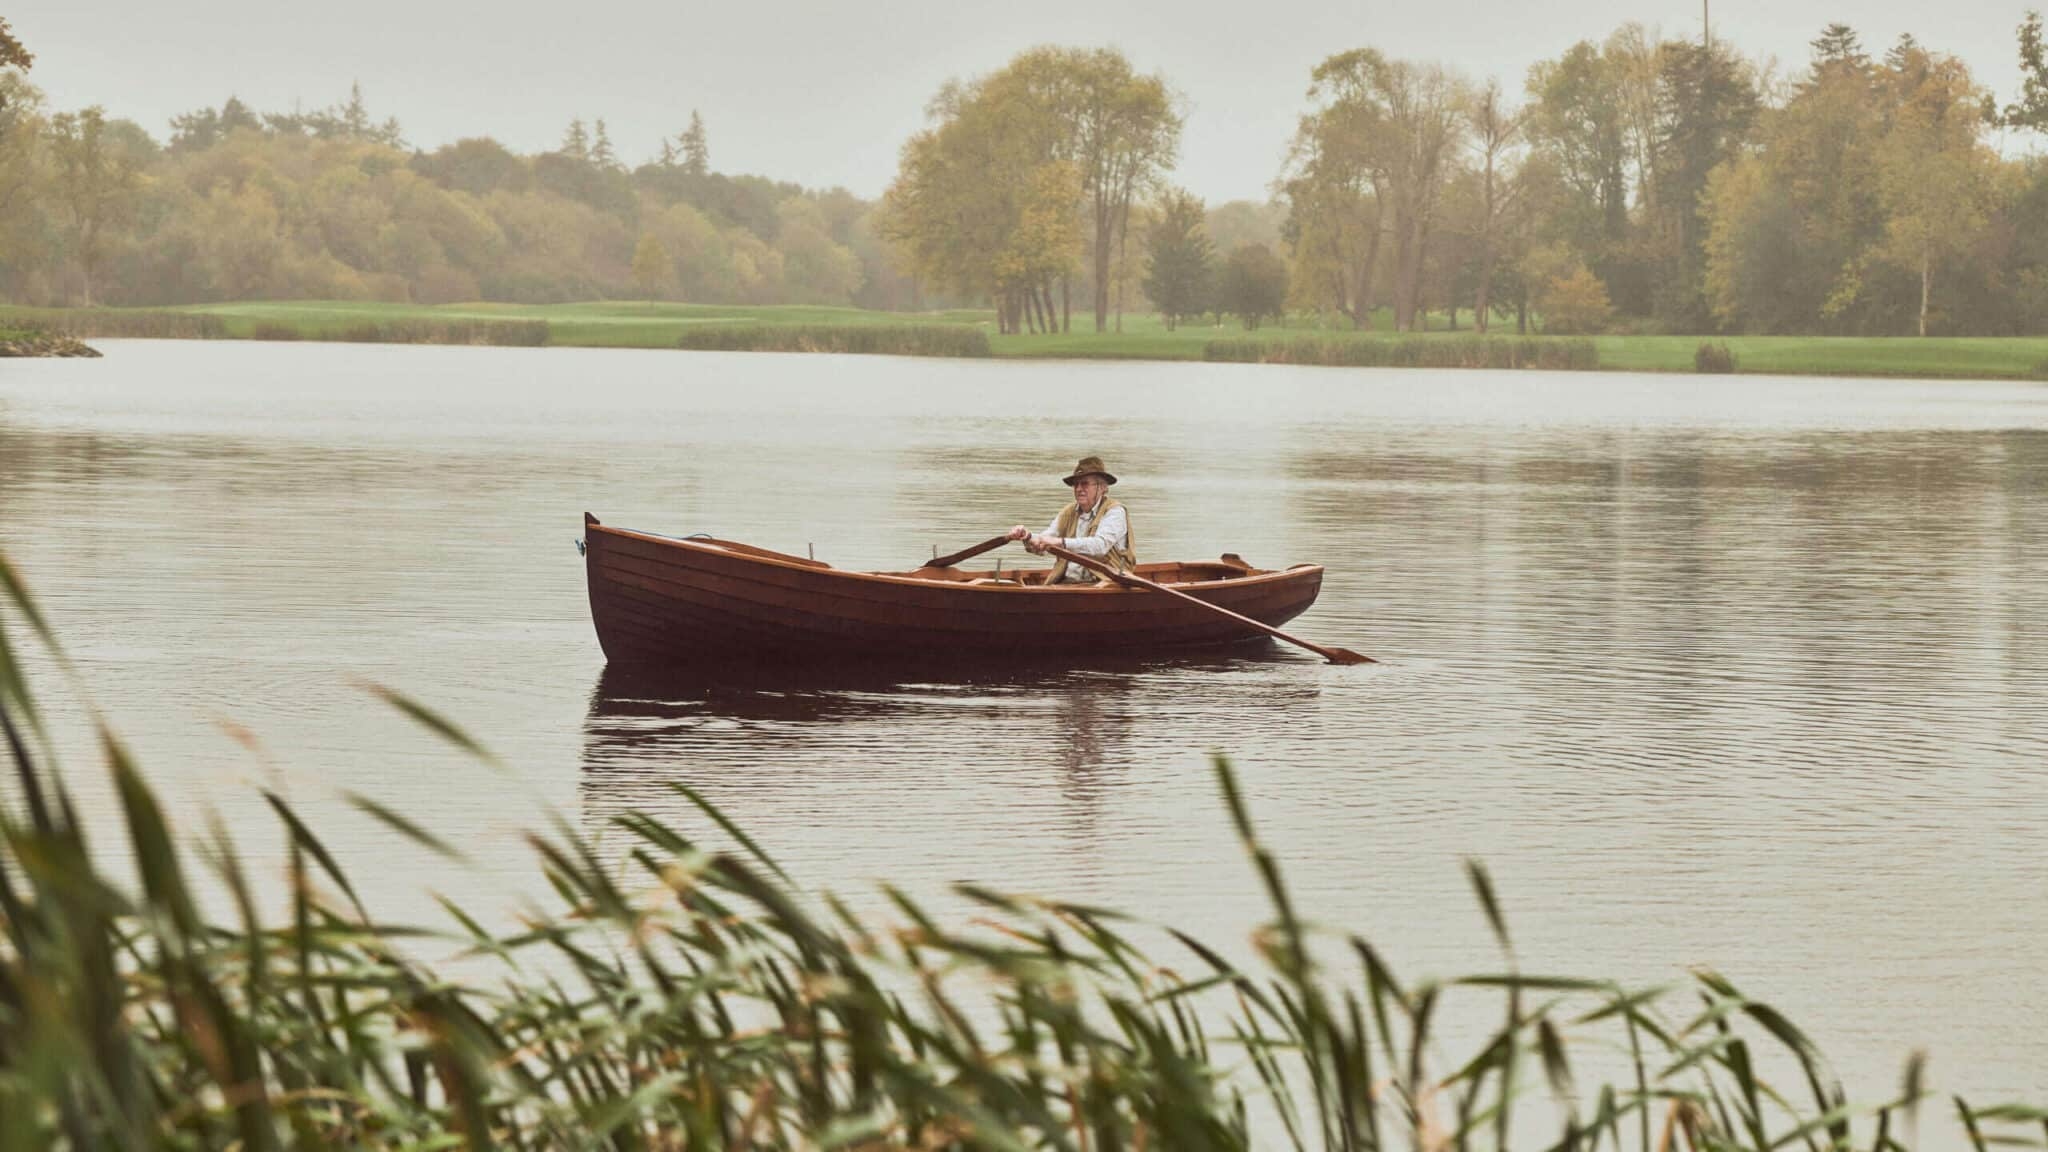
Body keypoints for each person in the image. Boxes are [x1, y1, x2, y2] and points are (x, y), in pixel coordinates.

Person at [1007, 456, 1137, 584]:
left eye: (1085, 483)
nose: (1079, 489)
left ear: (1102, 487)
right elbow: (1044, 542)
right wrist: (1027, 536)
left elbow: (1099, 546)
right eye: (1076, 484)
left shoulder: (1115, 511)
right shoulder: (1068, 512)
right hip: (1066, 584)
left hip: (1105, 584)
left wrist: (1060, 542)